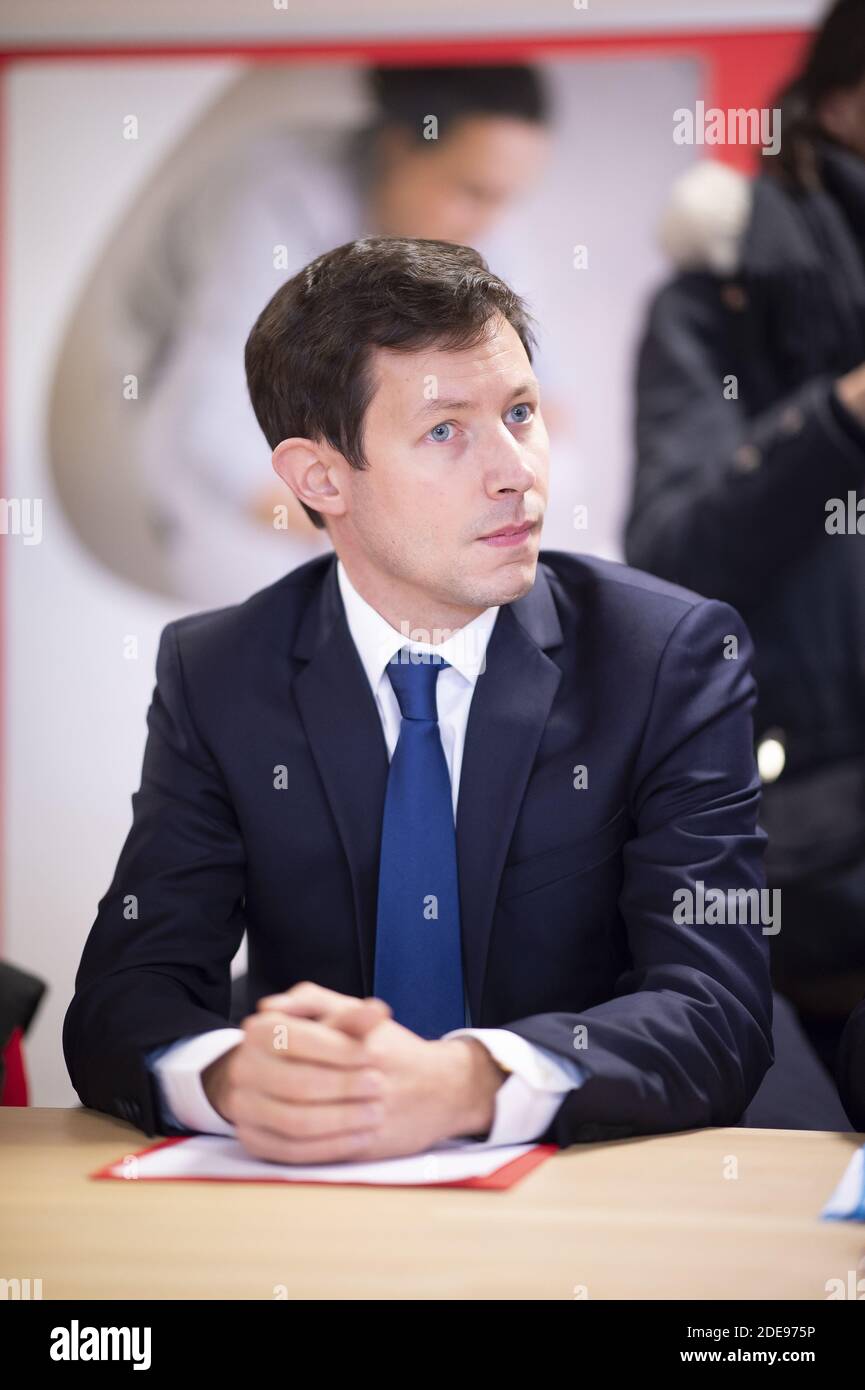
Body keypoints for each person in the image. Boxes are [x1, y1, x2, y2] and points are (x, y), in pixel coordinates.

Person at [64, 237, 773, 1161]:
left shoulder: (666, 657)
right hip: (314, 1207)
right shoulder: (219, 673)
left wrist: (466, 1082)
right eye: (446, 431)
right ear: (320, 479)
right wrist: (235, 1076)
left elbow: (716, 1010)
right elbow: (128, 992)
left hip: (585, 1194)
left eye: (520, 411)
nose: (514, 469)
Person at [624, 0, 865, 1076]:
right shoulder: (719, 297)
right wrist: (839, 417)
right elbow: (673, 558)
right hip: (813, 879)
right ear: (841, 99)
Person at [127, 64, 553, 604]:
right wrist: (396, 534)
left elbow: (546, 392)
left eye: (505, 199)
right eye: (471, 191)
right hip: (197, 436)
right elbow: (210, 429)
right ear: (401, 147)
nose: (490, 224)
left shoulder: (488, 228)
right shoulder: (272, 198)